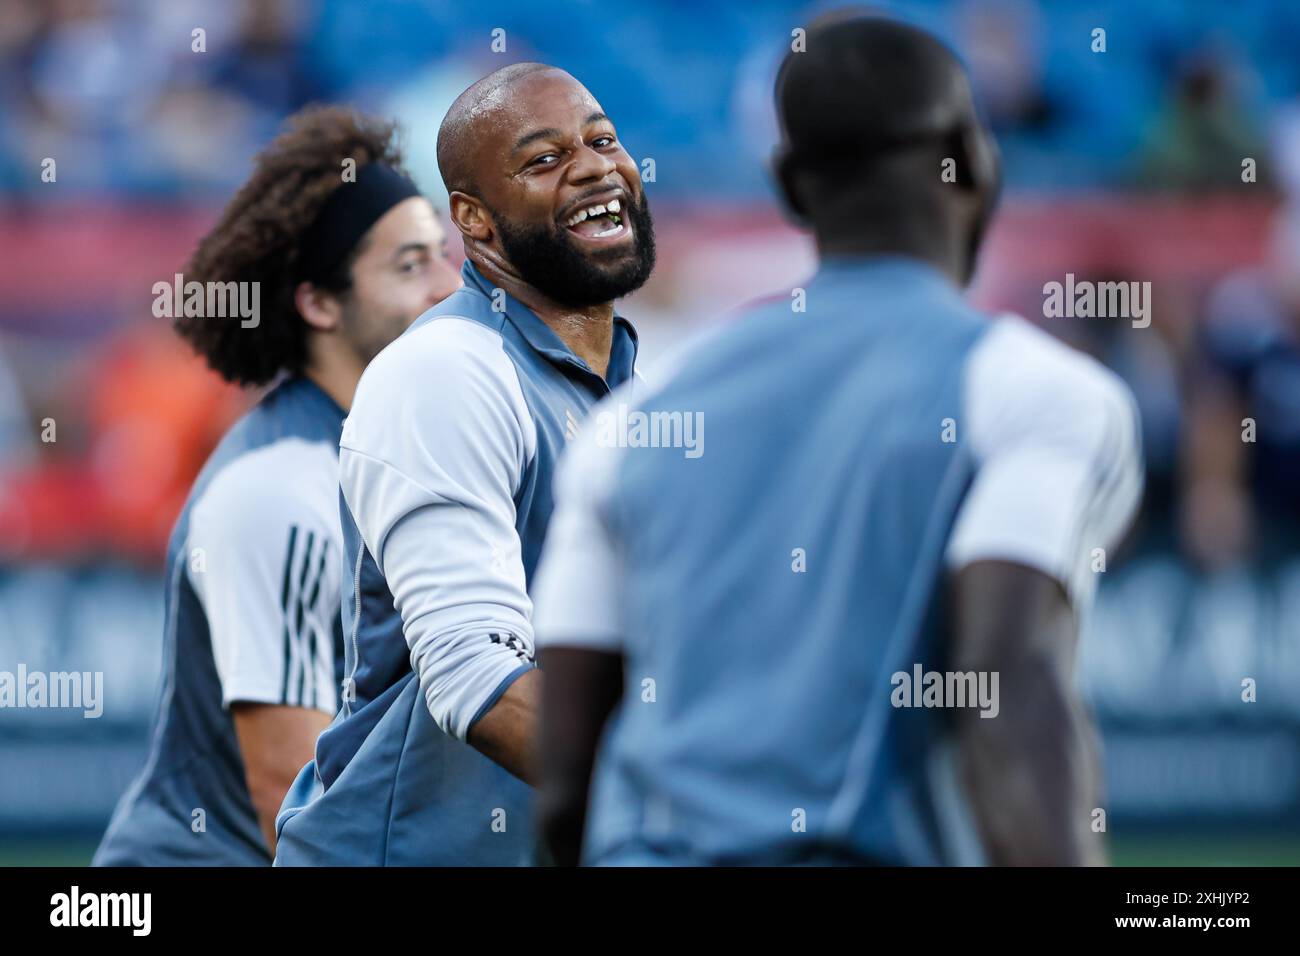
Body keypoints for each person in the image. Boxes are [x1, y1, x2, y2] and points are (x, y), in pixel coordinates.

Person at [532, 12, 1143, 866]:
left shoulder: (635, 419)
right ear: (971, 160)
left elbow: (564, 785)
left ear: (785, 184)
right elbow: (1004, 696)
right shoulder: (1038, 394)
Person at [273, 63, 655, 865]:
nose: (592, 165)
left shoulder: (632, 394)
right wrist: (687, 802)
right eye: (543, 159)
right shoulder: (447, 371)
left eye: (603, 140)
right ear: (475, 223)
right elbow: (474, 679)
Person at [94, 105, 460, 866]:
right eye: (408, 265)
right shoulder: (276, 493)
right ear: (319, 304)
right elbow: (295, 814)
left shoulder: (401, 459)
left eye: (442, 254)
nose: (448, 288)